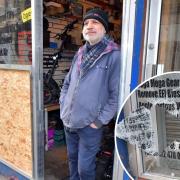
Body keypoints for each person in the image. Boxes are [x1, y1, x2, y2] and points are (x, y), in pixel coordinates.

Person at [60, 8, 120, 180]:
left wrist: (99, 121)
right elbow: (67, 84)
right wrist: (64, 104)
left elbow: (115, 95)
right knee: (72, 161)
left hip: (90, 126)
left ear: (104, 28)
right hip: (69, 121)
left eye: (95, 22)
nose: (89, 26)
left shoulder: (114, 55)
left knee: (84, 169)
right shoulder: (79, 53)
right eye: (86, 23)